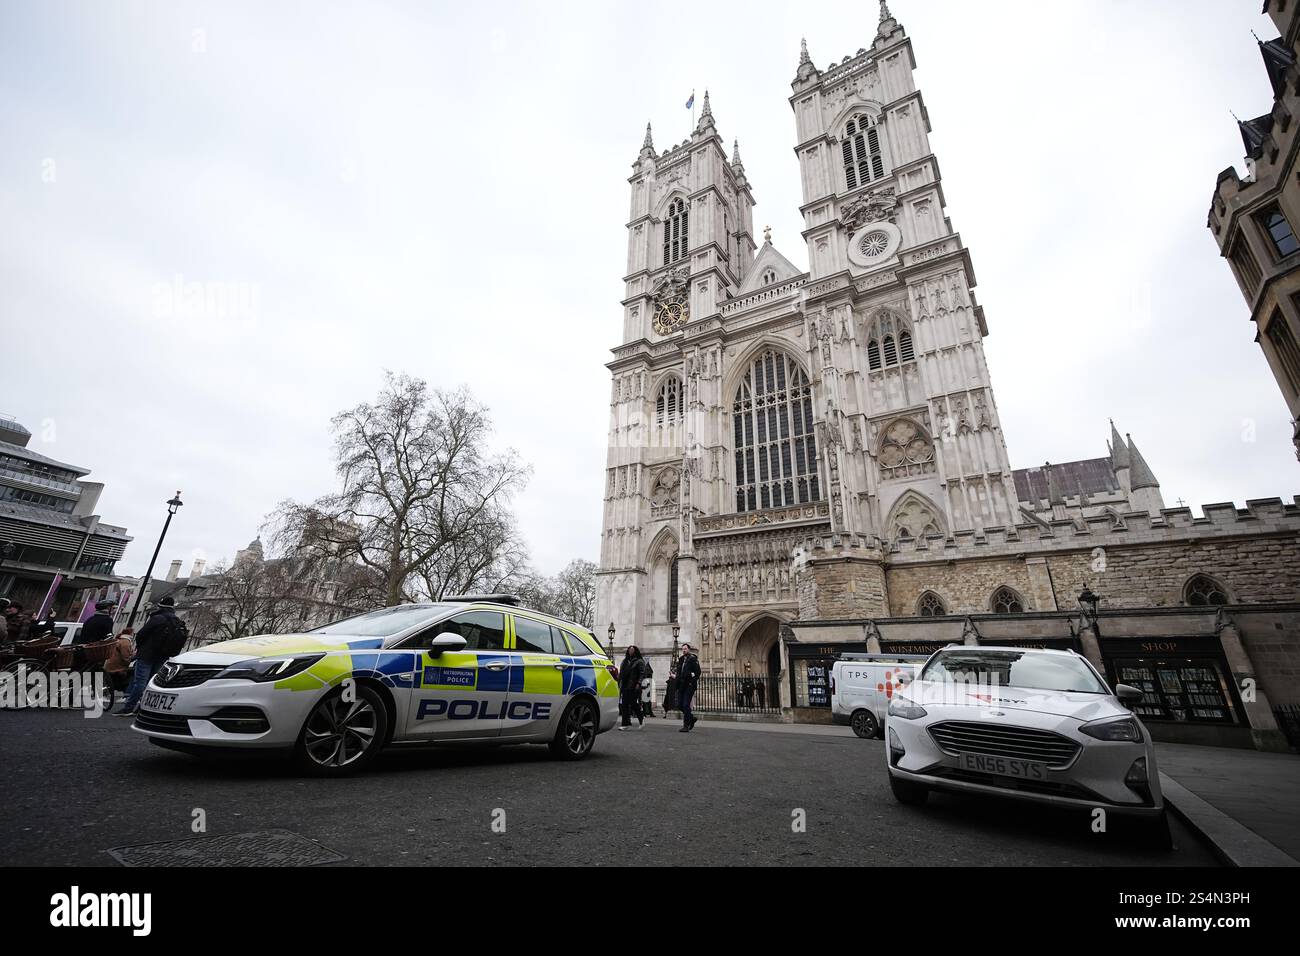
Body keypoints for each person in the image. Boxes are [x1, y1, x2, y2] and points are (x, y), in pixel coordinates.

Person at [115, 596, 186, 716]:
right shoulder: (176, 620)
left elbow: (142, 634)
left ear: (160, 606)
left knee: (140, 682)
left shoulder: (157, 618)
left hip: (147, 654)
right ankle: (143, 707)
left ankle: (129, 707)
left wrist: (140, 647)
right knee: (152, 682)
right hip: (164, 655)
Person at [618, 645, 648, 729]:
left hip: (634, 686)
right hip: (624, 685)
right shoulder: (625, 661)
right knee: (624, 705)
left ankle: (641, 719)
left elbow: (642, 673)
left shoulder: (639, 661)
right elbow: (621, 673)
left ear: (635, 651)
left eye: (632, 650)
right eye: (629, 650)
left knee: (634, 704)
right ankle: (625, 724)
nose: (630, 651)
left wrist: (639, 683)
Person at [103, 627, 136, 695]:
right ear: (130, 634)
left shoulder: (119, 640)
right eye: (133, 634)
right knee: (126, 680)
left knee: (112, 682)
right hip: (116, 667)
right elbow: (125, 657)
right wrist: (133, 657)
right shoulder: (125, 642)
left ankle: (107, 693)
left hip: (110, 665)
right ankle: (126, 694)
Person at [676, 642, 701, 733]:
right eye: (682, 649)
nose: (683, 650)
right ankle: (691, 718)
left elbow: (697, 672)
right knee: (679, 705)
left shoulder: (693, 659)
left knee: (686, 704)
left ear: (689, 649)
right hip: (681, 685)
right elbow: (679, 673)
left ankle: (686, 726)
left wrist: (692, 682)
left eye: (685, 649)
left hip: (689, 686)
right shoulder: (681, 659)